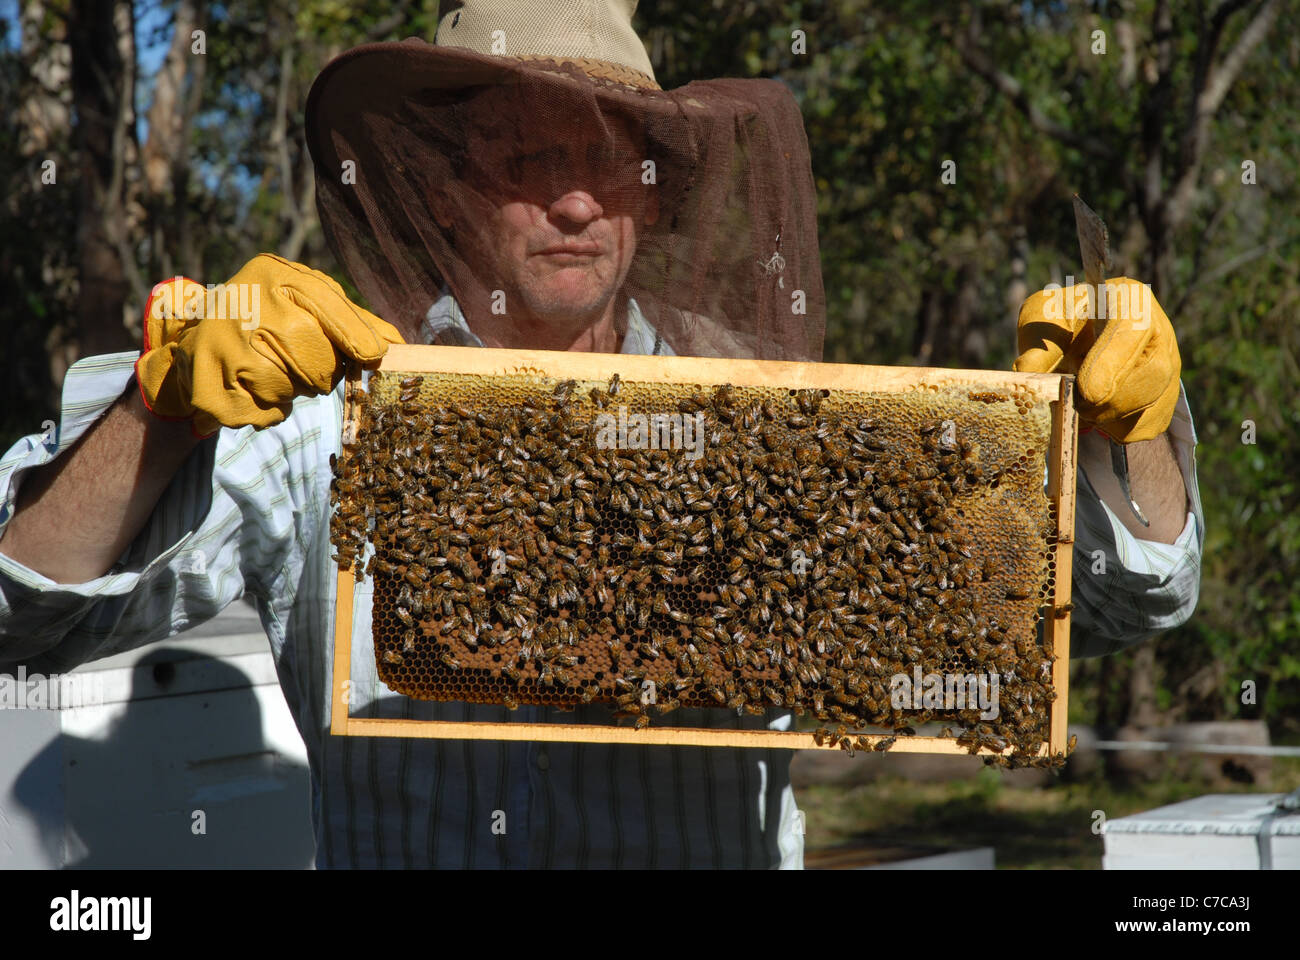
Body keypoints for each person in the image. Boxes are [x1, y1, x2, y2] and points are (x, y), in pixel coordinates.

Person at [0, 0, 1201, 868]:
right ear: (447, 181)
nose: (574, 200)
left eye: (605, 161)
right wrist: (155, 409)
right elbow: (21, 613)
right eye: (527, 159)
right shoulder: (321, 412)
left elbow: (1112, 607)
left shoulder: (772, 417)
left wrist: (1124, 438)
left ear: (652, 191)